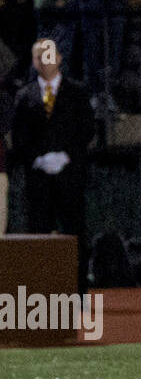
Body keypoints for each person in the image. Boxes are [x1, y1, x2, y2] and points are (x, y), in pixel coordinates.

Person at [12, 40, 94, 256]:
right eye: (39, 57)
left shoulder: (77, 92)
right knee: (38, 234)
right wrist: (38, 159)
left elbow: (86, 130)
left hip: (70, 176)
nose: (45, 61)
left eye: (48, 56)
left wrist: (66, 156)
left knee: (74, 231)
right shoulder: (24, 96)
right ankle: (41, 286)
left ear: (59, 58)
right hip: (38, 179)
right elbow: (19, 136)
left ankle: (77, 287)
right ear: (34, 62)